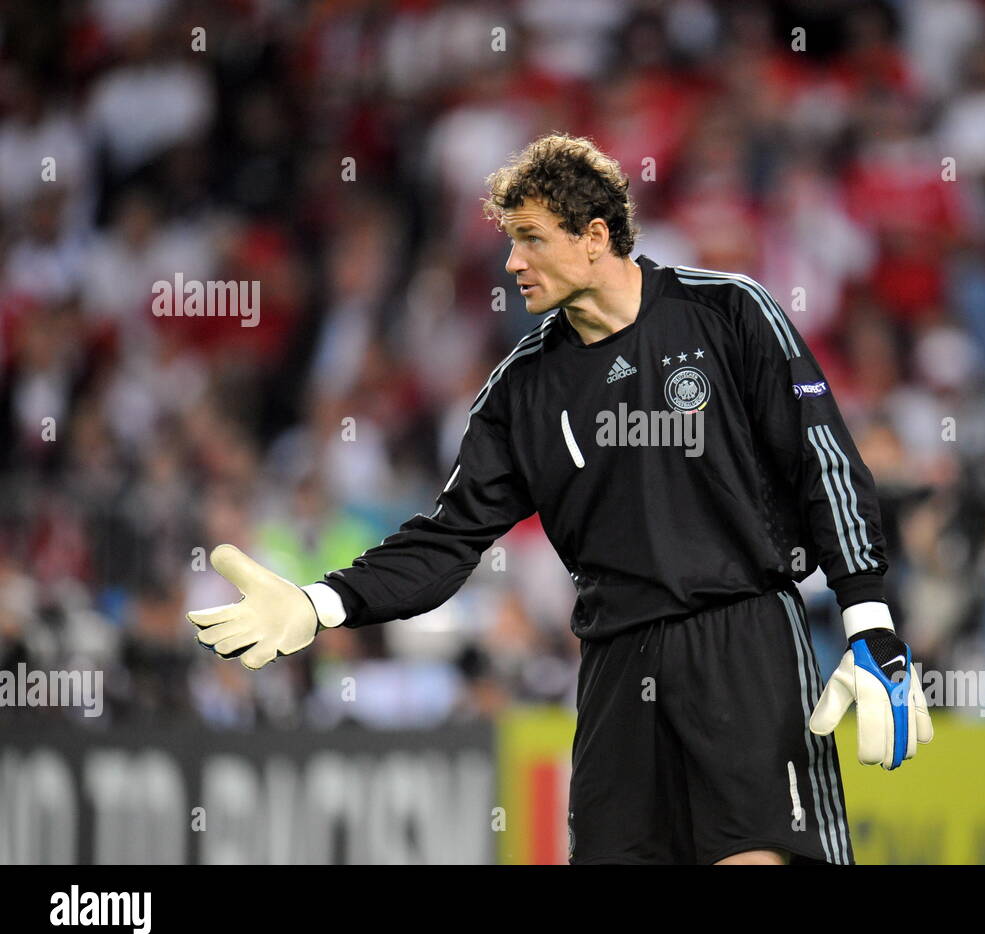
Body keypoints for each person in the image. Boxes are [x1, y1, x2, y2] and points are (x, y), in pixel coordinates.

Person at [186, 133, 933, 865]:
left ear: (594, 237)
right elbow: (448, 538)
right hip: (615, 672)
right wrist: (321, 603)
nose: (512, 262)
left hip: (742, 644)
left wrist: (867, 614)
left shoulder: (729, 313)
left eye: (532, 239)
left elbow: (824, 460)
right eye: (511, 241)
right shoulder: (524, 389)